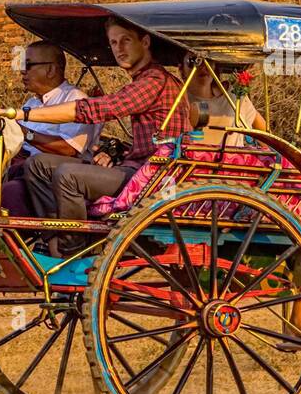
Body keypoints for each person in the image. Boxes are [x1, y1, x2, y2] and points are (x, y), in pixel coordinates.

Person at [22, 16, 192, 253]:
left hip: (152, 174)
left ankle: (73, 248)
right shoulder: (145, 79)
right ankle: (53, 235)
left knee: (67, 174)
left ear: (144, 42)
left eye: (126, 41)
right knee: (37, 165)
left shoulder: (154, 80)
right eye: (113, 43)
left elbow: (104, 109)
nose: (119, 49)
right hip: (134, 166)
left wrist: (22, 115)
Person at [0, 41, 99, 217]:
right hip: (25, 171)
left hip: (58, 175)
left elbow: (70, 149)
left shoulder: (75, 99)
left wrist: (25, 133)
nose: (23, 71)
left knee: (10, 193)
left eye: (28, 65)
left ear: (51, 70)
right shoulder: (32, 103)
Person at [183, 55, 266, 147]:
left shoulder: (234, 95)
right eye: (193, 60)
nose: (203, 66)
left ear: (214, 66)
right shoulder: (177, 101)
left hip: (232, 159)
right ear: (181, 68)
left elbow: (264, 133)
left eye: (208, 60)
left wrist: (273, 157)